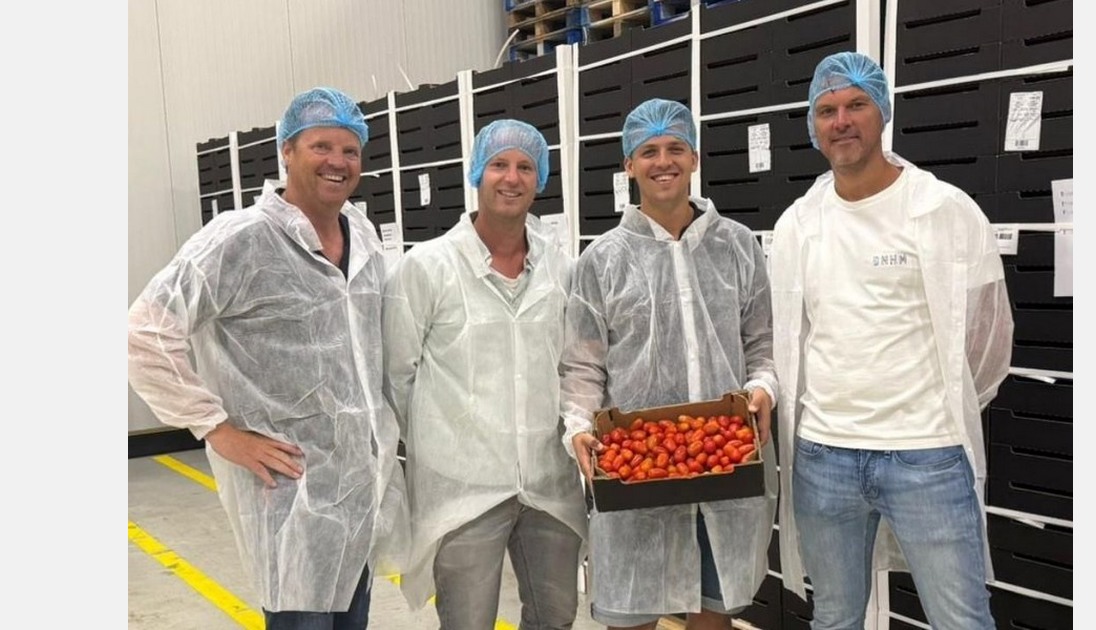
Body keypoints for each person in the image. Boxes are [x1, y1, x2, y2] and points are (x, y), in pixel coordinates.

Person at [128, 87, 409, 629]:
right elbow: (144, 332)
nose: (338, 162)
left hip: (357, 494)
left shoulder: (366, 237)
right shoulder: (241, 239)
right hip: (288, 499)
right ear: (286, 150)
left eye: (350, 151)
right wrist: (216, 428)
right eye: (321, 146)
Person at [770, 51, 1015, 629]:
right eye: (827, 109)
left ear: (882, 113)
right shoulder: (797, 224)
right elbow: (790, 337)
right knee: (833, 616)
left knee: (962, 619)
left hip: (926, 453)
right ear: (813, 125)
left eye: (856, 105)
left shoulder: (944, 209)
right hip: (823, 455)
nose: (841, 120)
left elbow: (988, 342)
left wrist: (933, 409)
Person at [561, 98, 778, 630]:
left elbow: (762, 342)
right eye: (648, 151)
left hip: (724, 462)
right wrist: (577, 428)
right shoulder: (602, 261)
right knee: (630, 613)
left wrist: (764, 388)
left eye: (675, 148)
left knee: (712, 610)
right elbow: (583, 366)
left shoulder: (738, 247)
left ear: (695, 158)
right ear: (628, 166)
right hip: (635, 469)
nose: (664, 162)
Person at [383, 119, 588, 630]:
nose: (511, 178)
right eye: (499, 164)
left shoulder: (560, 269)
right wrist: (446, 449)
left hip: (548, 483)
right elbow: (396, 378)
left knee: (555, 618)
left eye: (524, 166)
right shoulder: (427, 268)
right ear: (477, 172)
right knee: (467, 622)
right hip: (463, 490)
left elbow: (572, 367)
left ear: (539, 178)